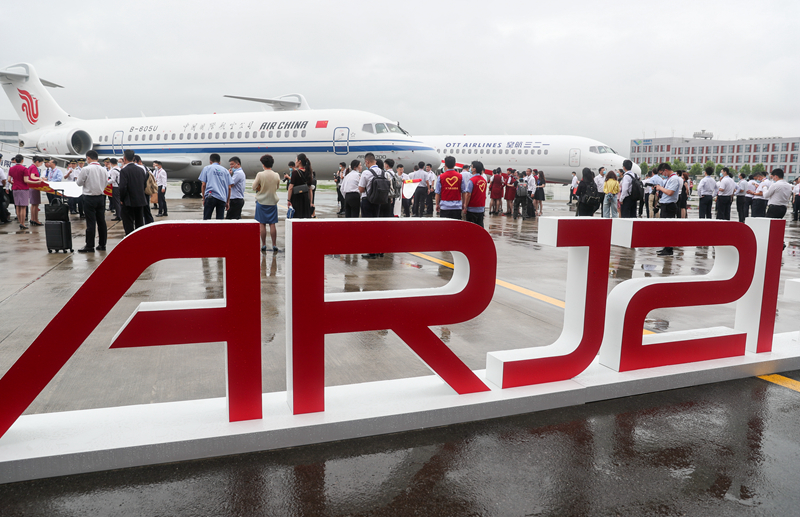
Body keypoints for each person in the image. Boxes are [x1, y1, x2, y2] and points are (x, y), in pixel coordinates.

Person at [76, 150, 108, 252]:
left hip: (89, 197)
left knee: (91, 222)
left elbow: (79, 183)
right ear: (97, 158)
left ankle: (90, 245)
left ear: (88, 158)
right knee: (101, 222)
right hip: (101, 197)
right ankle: (102, 244)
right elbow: (106, 183)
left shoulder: (86, 169)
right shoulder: (104, 170)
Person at [252, 154, 281, 252]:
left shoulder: (260, 174)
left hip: (262, 201)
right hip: (272, 202)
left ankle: (264, 244)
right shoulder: (276, 175)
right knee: (272, 224)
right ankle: (274, 244)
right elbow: (277, 187)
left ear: (263, 164)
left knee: (262, 224)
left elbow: (253, 187)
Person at [118, 149, 148, 235]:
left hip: (128, 201)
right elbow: (144, 185)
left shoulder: (124, 171)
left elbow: (123, 187)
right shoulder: (141, 170)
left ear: (124, 158)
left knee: (128, 224)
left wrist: (121, 199)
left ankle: (130, 243)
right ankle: (139, 242)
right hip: (140, 200)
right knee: (139, 223)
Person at [654, 163, 681, 256]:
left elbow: (670, 192)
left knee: (668, 228)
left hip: (669, 206)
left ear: (665, 170)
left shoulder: (674, 179)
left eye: (662, 172)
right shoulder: (670, 178)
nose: (662, 175)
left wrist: (661, 188)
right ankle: (666, 247)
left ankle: (669, 249)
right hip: (665, 205)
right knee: (665, 228)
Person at [199, 153, 232, 220]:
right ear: (219, 162)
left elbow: (203, 185)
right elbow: (229, 187)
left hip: (210, 196)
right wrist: (227, 201)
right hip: (222, 198)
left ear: (210, 161)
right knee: (220, 221)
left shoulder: (206, 168)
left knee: (206, 219)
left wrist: (203, 198)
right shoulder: (225, 171)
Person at [435, 155, 465, 220]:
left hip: (444, 207)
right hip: (457, 207)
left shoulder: (440, 177)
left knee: (445, 228)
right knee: (456, 227)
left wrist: (437, 204)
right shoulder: (460, 176)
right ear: (455, 164)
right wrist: (464, 204)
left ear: (445, 165)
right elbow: (463, 192)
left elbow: (438, 193)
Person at [358, 152, 386, 218]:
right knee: (376, 222)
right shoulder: (383, 172)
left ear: (367, 161)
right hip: (378, 200)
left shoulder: (366, 172)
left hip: (367, 200)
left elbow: (361, 189)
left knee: (367, 223)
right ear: (375, 161)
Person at [8, 155, 30, 229]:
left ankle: (20, 221)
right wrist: (36, 182)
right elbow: (25, 180)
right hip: (23, 188)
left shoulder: (11, 168)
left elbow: (8, 179)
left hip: (15, 188)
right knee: (23, 207)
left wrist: (12, 183)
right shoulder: (24, 169)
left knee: (17, 206)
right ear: (22, 160)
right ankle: (22, 223)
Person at [288, 153, 313, 219]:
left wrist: (288, 200)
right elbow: (310, 189)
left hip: (296, 199)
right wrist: (310, 202)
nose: (295, 162)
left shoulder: (295, 173)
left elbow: (290, 188)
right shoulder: (309, 173)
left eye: (296, 160)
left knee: (297, 218)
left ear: (299, 162)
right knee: (306, 219)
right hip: (305, 199)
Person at [462, 161, 487, 227]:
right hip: (481, 208)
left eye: (471, 167)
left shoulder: (472, 180)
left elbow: (468, 194)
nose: (470, 168)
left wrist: (465, 206)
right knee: (480, 227)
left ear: (474, 169)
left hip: (472, 208)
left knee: (471, 228)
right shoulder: (484, 181)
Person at [135, 155, 155, 224]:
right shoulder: (147, 168)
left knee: (143, 209)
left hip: (141, 192)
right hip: (146, 191)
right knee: (146, 209)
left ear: (139, 161)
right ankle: (149, 222)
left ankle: (148, 223)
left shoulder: (139, 169)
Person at [26, 156, 45, 226]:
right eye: (41, 163)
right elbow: (32, 176)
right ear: (37, 162)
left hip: (31, 186)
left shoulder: (30, 166)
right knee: (36, 204)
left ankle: (32, 218)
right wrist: (40, 179)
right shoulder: (34, 167)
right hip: (34, 186)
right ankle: (36, 219)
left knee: (33, 204)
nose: (41, 165)